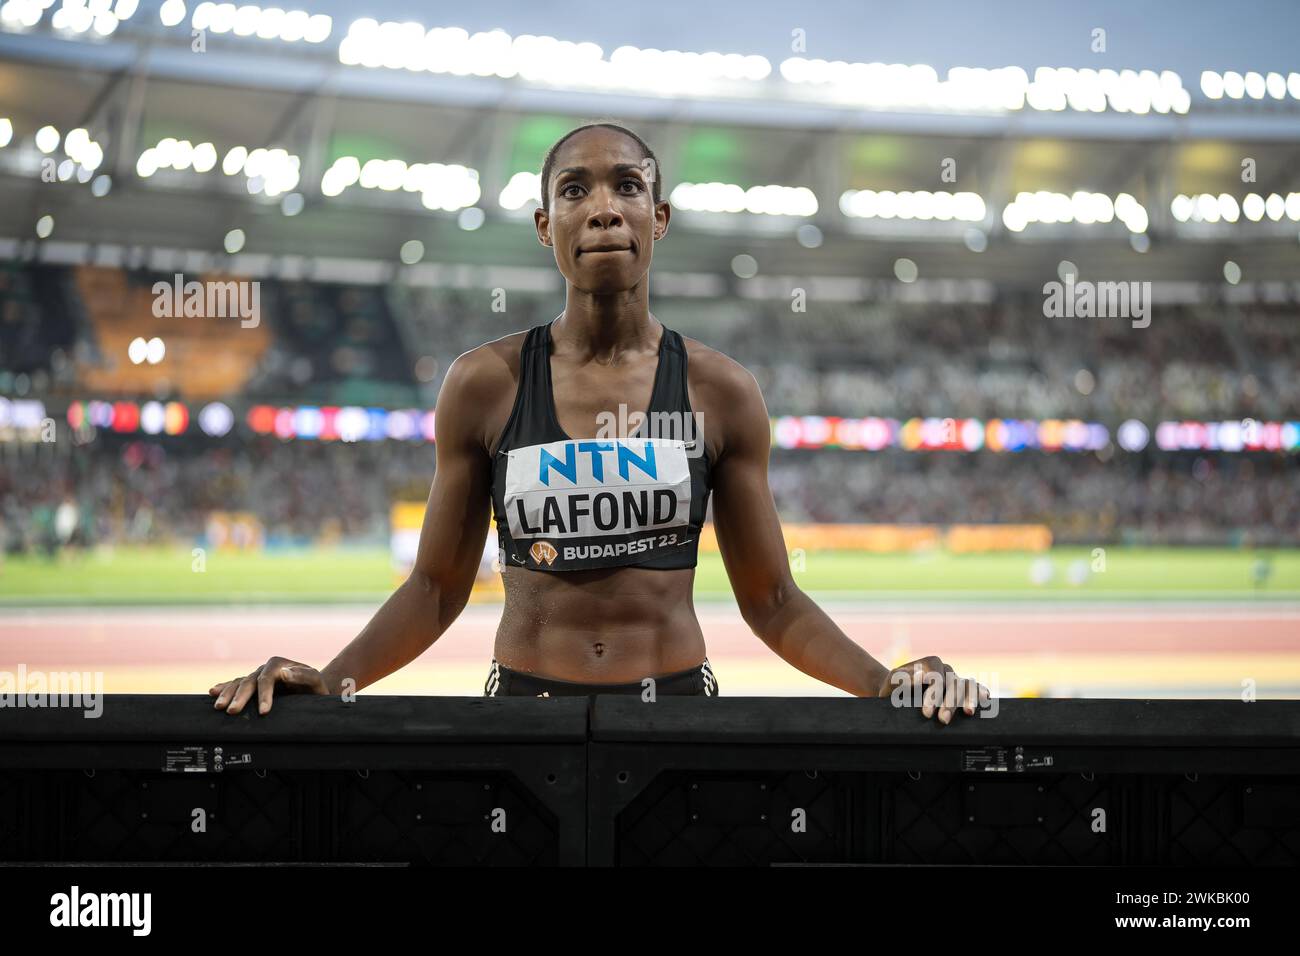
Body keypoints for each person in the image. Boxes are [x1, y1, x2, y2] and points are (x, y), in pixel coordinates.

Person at [210, 122, 989, 718]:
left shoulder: (721, 390)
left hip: (675, 713)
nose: (604, 209)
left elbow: (773, 602)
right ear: (546, 225)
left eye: (626, 187)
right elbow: (437, 588)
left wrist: (885, 682)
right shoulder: (484, 384)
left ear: (660, 217)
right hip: (525, 713)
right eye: (576, 190)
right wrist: (332, 680)